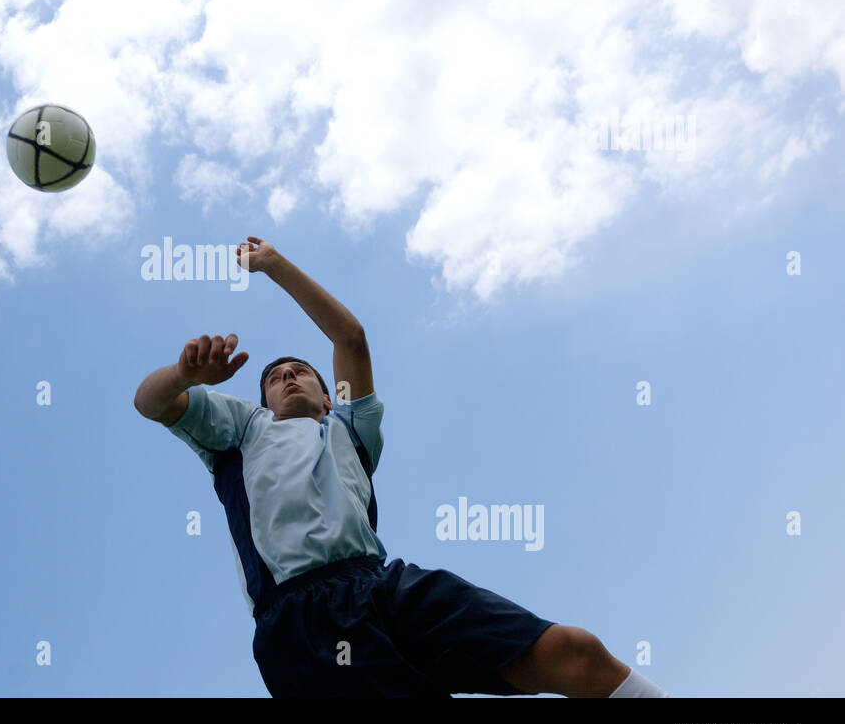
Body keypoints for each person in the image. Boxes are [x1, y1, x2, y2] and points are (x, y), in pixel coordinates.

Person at [133, 236, 668, 698]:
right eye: (276, 377)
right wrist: (182, 374)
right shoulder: (241, 431)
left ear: (327, 398)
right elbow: (150, 402)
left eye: (301, 372)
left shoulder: (348, 429)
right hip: (300, 624)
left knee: (576, 651)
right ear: (264, 399)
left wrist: (275, 265)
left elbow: (350, 339)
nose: (289, 377)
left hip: (387, 588)